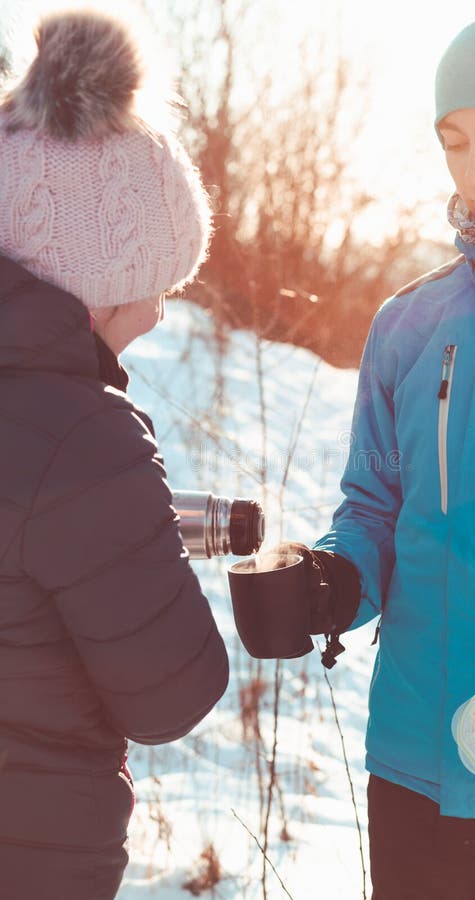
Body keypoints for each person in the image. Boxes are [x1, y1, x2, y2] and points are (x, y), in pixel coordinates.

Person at [279, 1, 475, 897]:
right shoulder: (409, 322)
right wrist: (334, 579)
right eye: (454, 141)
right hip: (415, 763)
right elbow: (374, 505)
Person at [0, 10, 228, 900]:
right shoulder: (83, 437)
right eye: (154, 286)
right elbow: (173, 694)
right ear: (93, 287)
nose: (162, 312)